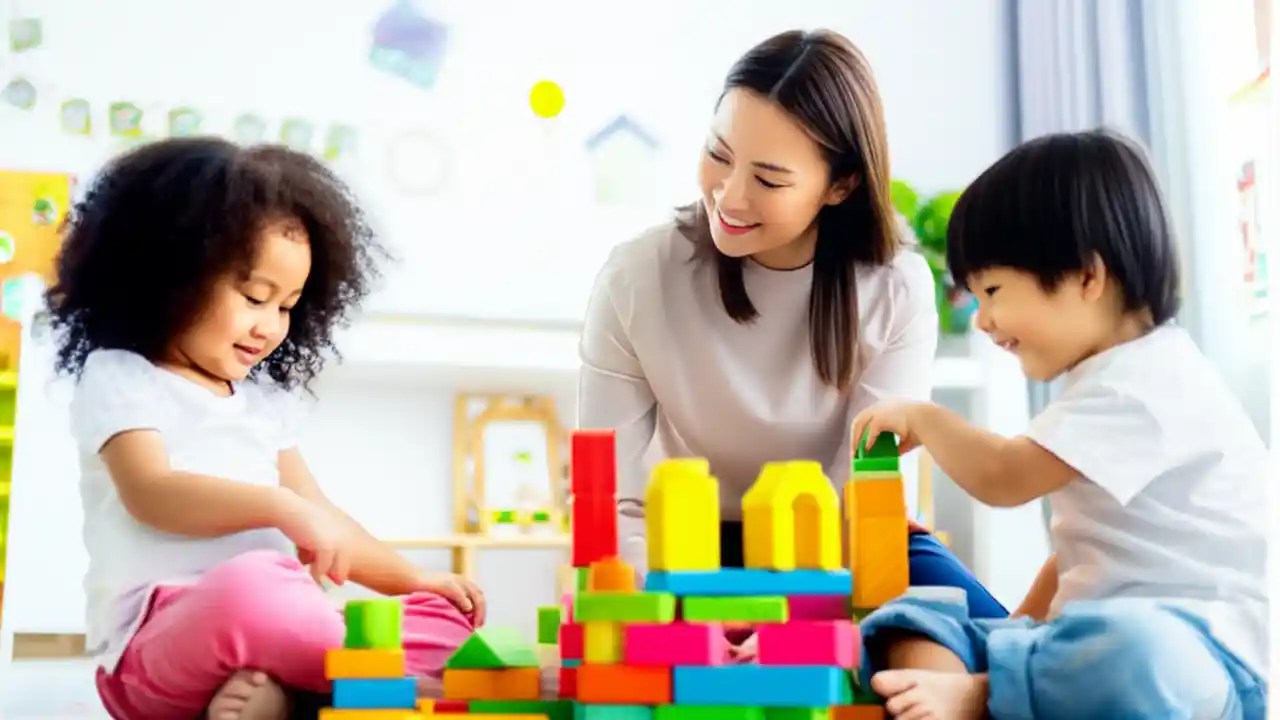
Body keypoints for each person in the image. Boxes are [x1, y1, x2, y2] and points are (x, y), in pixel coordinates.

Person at [577, 26, 1009, 654]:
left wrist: (804, 615)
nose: (730, 195)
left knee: (996, 646)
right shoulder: (636, 276)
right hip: (685, 542)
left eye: (770, 179)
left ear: (841, 186)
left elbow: (866, 490)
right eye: (718, 155)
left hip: (844, 540)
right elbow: (617, 498)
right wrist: (666, 604)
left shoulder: (895, 287)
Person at [46, 138, 487, 720]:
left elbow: (326, 521)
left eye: (287, 307)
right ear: (170, 276)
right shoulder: (122, 376)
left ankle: (289, 694)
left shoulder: (260, 403)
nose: (271, 326)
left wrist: (411, 579)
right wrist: (279, 509)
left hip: (277, 628)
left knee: (437, 618)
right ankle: (401, 689)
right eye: (255, 297)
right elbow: (151, 493)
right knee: (256, 588)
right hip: (161, 648)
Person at [850, 130, 1268, 719]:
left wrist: (927, 417)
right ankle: (989, 687)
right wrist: (1010, 638)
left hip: (1203, 665)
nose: (986, 321)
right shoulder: (1105, 380)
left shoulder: (1145, 383)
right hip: (1092, 647)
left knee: (1131, 652)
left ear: (1086, 277)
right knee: (917, 614)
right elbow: (1078, 558)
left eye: (993, 290)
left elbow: (1002, 476)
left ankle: (981, 697)